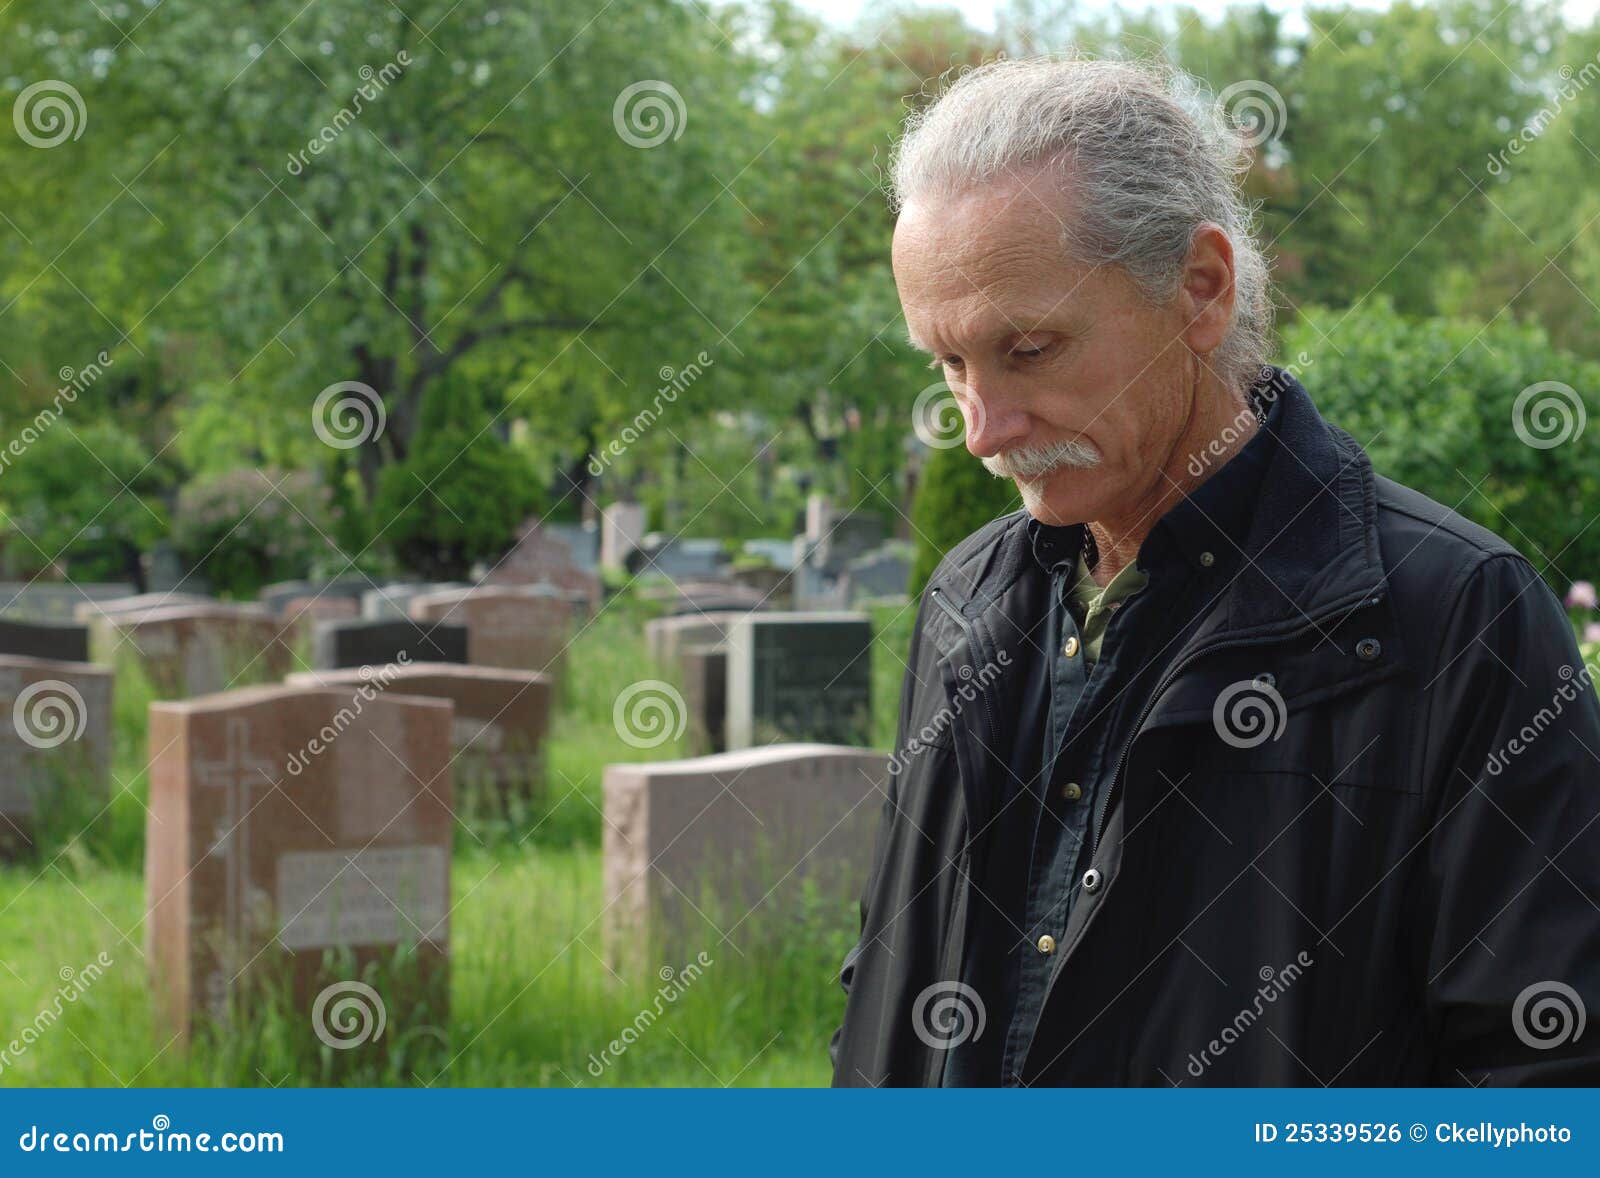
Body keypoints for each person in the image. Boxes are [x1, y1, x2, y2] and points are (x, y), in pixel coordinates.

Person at [830, 55, 1600, 1086]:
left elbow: (1545, 1083)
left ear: (1199, 288)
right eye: (949, 363)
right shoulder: (965, 601)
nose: (981, 428)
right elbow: (888, 986)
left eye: (1028, 349)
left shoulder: (1454, 618)